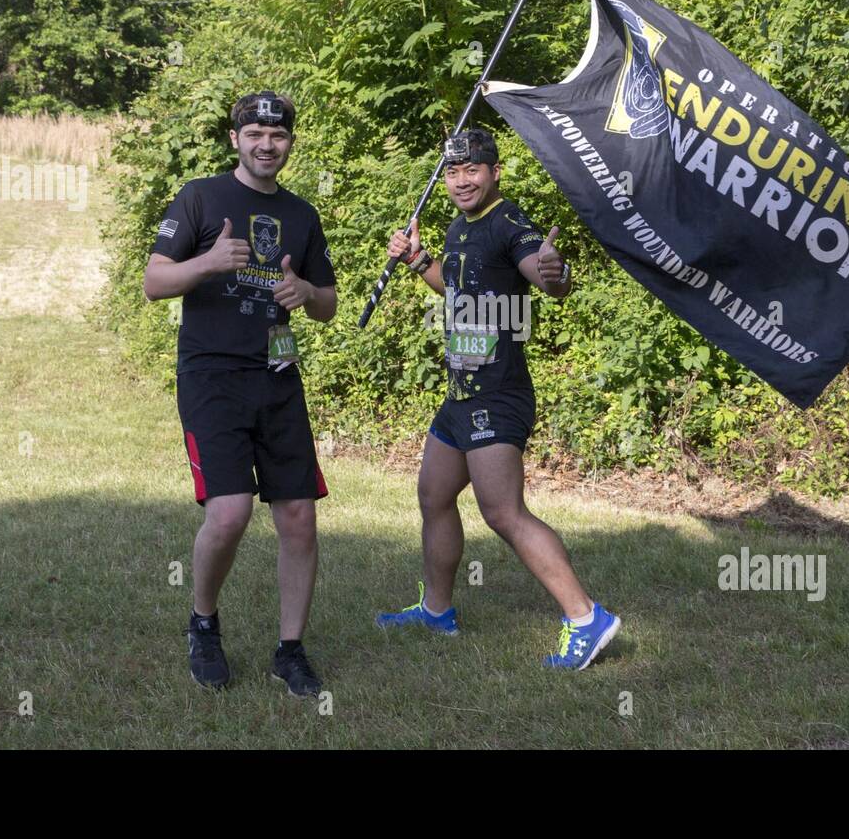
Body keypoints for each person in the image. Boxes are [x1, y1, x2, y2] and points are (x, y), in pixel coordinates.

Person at [375, 128, 620, 669]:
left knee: (503, 512)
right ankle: (437, 611)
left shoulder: (510, 223)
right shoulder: (461, 226)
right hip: (460, 394)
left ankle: (586, 618)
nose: (462, 180)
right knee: (434, 496)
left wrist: (555, 275)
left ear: (495, 172)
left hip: (497, 394)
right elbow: (457, 292)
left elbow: (544, 272)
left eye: (473, 170)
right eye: (452, 171)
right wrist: (419, 261)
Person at [143, 91, 337, 696]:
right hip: (211, 376)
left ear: (289, 143)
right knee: (228, 513)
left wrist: (305, 292)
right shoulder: (200, 197)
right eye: (254, 133)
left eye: (277, 136)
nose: (266, 144)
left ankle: (290, 649)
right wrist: (206, 263)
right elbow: (153, 282)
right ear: (235, 139)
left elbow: (328, 306)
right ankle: (203, 623)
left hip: (278, 375)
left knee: (299, 517)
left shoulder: (303, 215)